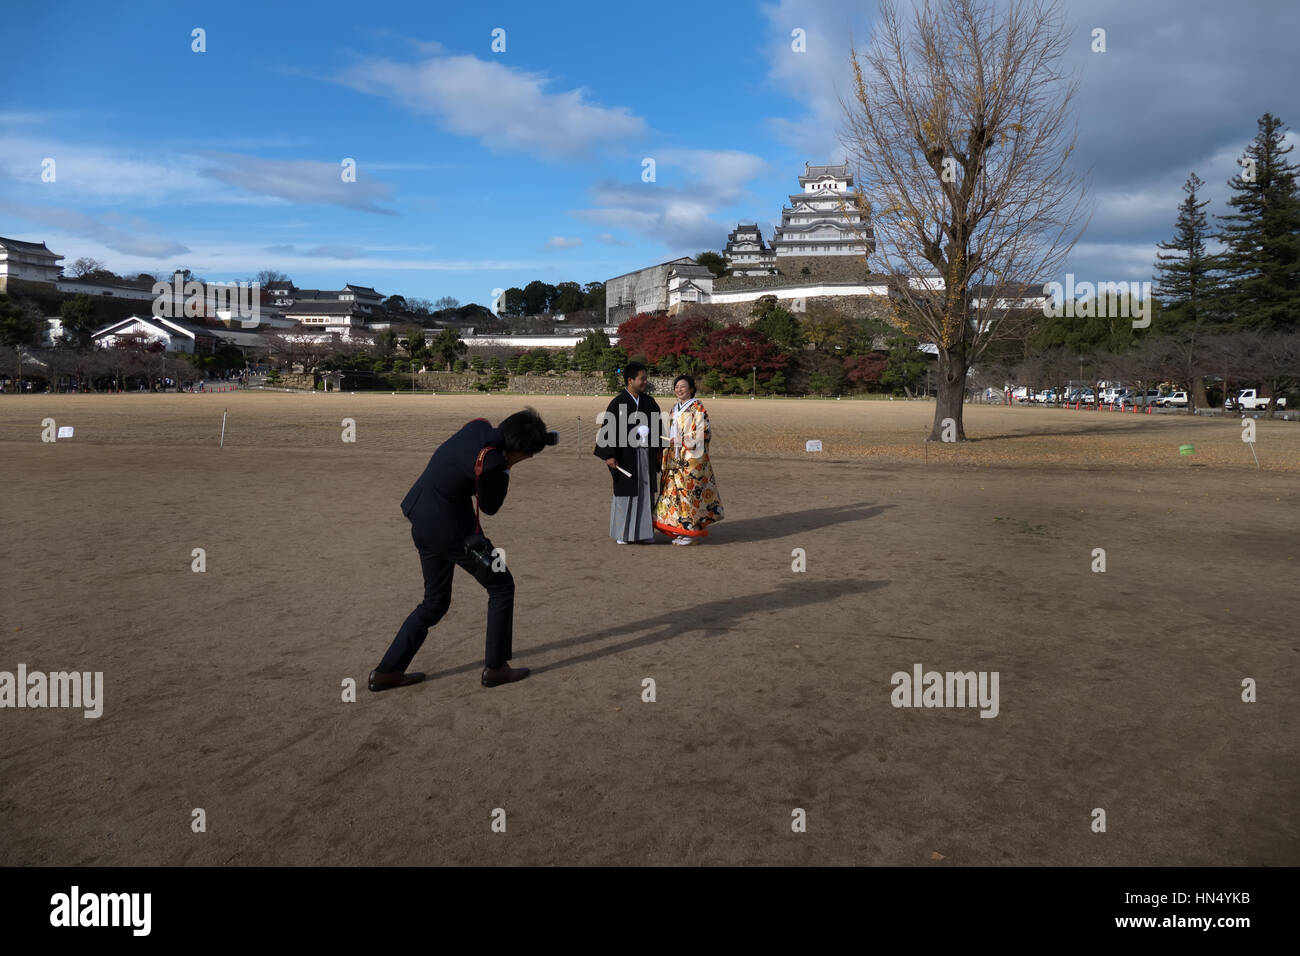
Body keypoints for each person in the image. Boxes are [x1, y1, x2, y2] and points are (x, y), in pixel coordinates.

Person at [371, 408, 556, 691]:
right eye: (528, 455)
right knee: (501, 585)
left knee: (434, 603)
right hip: (453, 531)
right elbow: (491, 507)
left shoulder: (477, 428)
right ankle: (495, 668)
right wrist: (508, 466)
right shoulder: (495, 463)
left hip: (421, 518)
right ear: (520, 450)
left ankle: (387, 671)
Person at [593, 362, 663, 544]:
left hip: (646, 453)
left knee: (645, 492)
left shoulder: (649, 402)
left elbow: (658, 427)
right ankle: (623, 534)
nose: (645, 382)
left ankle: (645, 533)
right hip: (625, 455)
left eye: (645, 378)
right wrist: (609, 455)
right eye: (642, 378)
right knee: (626, 494)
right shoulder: (617, 403)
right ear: (630, 380)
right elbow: (608, 430)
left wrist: (658, 452)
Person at [653, 374, 724, 545]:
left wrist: (684, 441)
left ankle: (692, 532)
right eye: (676, 387)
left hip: (690, 460)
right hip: (674, 458)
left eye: (683, 386)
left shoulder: (697, 408)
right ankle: (681, 528)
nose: (679, 389)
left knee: (690, 494)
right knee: (674, 494)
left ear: (691, 389)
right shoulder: (674, 409)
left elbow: (703, 432)